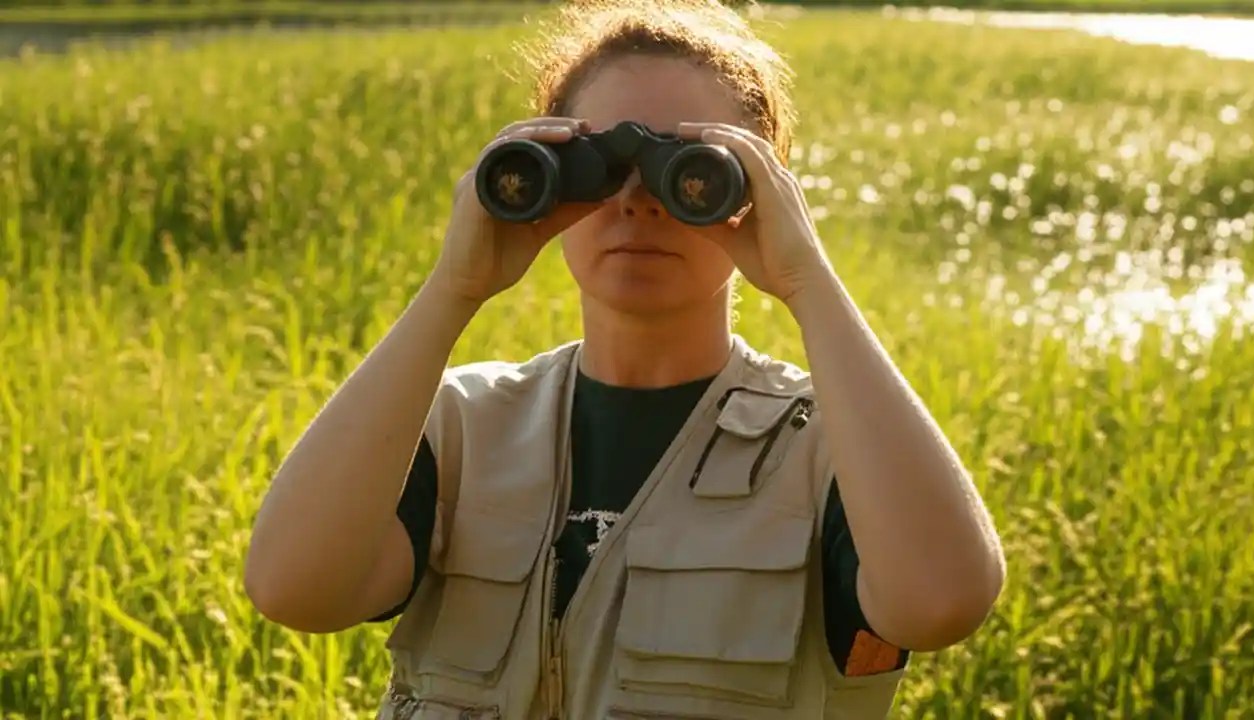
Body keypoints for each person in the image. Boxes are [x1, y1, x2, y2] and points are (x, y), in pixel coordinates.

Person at [243, 1, 1007, 717]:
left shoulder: (829, 448)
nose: (639, 201)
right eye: (598, 164)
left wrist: (807, 281)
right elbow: (295, 590)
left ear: (762, 192)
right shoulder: (460, 427)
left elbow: (939, 602)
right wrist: (453, 290)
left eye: (693, 169)